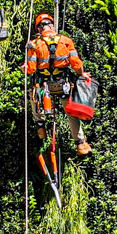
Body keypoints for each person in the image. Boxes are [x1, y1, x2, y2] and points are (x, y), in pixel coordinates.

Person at [24, 12, 91, 156]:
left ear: (38, 29)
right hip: (62, 84)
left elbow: (31, 69)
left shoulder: (34, 44)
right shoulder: (66, 41)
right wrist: (81, 74)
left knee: (35, 98)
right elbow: (76, 64)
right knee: (70, 112)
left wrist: (23, 67)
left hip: (43, 85)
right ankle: (80, 144)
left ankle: (41, 127)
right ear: (52, 26)